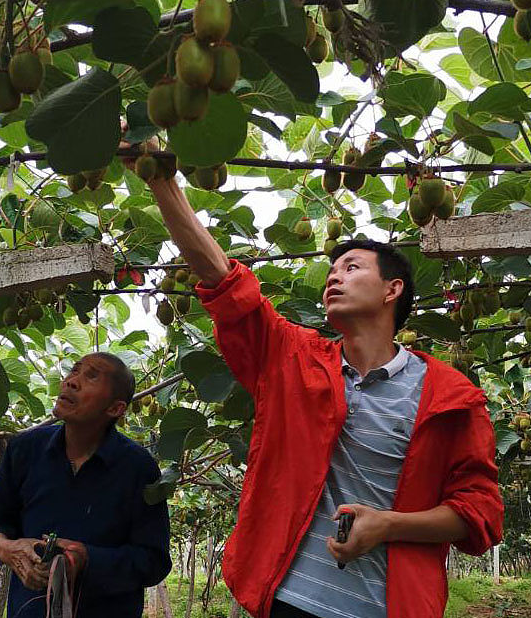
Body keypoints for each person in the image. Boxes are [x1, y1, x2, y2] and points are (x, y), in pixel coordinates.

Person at [135, 152, 504, 618]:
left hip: (386, 607)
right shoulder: (294, 359)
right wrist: (162, 181)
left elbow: (481, 513)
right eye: (331, 272)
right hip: (284, 600)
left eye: (352, 267)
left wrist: (388, 526)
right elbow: (225, 282)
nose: (334, 277)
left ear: (392, 291)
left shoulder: (449, 395)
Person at [0, 351, 171, 617]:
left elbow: (154, 561)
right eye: (74, 371)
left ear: (115, 408)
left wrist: (87, 560)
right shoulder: (24, 450)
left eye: (91, 377)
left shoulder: (138, 469)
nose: (71, 381)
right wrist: (10, 550)